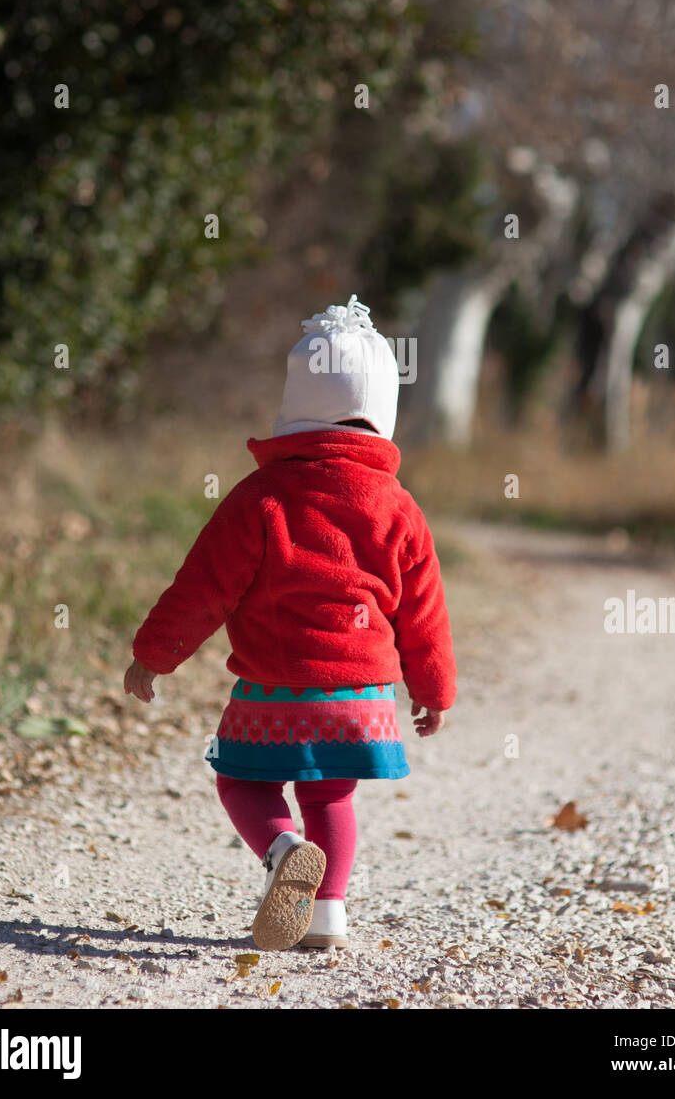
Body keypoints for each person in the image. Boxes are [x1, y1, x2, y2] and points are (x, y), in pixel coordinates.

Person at [124, 295, 457, 951]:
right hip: (360, 701)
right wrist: (434, 690)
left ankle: (283, 852)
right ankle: (329, 911)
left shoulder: (262, 497)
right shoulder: (400, 508)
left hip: (276, 690)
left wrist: (154, 653)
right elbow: (424, 610)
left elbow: (204, 588)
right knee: (333, 797)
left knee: (241, 780)